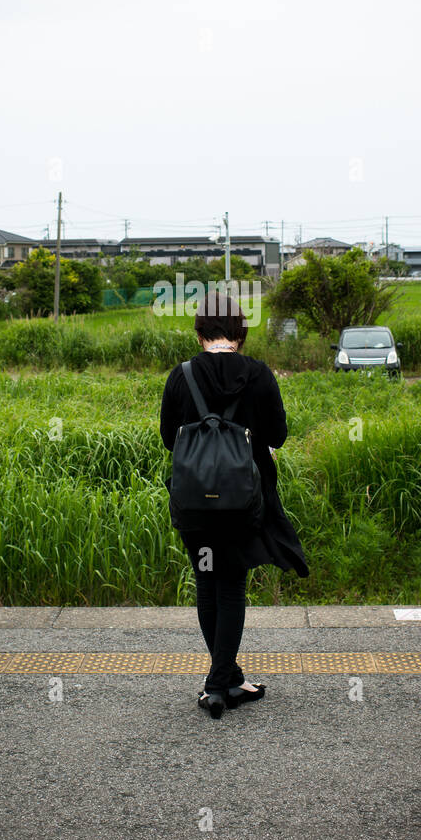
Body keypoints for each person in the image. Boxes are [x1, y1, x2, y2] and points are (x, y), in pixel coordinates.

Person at [159, 292, 309, 719]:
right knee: (231, 587)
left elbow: (172, 438)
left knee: (207, 583)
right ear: (240, 331)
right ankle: (218, 684)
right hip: (242, 502)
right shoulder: (258, 374)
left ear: (200, 330)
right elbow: (277, 435)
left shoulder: (181, 375)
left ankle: (227, 680)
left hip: (193, 501)